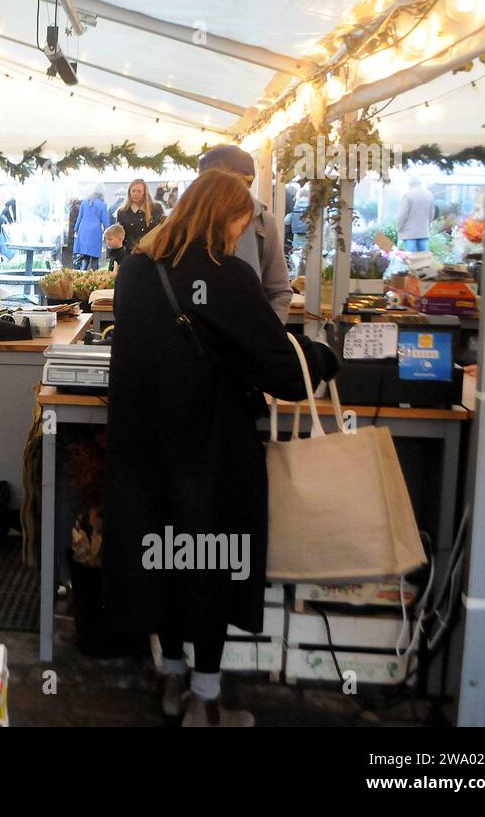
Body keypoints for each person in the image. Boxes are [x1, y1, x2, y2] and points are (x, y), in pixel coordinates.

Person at [103, 168, 340, 727]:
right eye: (241, 221)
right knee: (209, 566)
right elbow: (279, 366)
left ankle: (174, 676)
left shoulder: (136, 269)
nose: (241, 234)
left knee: (161, 557)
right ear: (224, 217)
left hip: (144, 453)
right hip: (209, 452)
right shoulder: (226, 274)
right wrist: (327, 358)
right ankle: (205, 700)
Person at [197, 145, 292, 321]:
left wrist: (271, 334)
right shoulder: (190, 222)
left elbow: (279, 291)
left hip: (252, 333)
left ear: (246, 180)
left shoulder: (262, 222)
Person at [108, 178, 165, 267]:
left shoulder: (156, 208)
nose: (135, 193)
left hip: (151, 255)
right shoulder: (122, 212)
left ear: (144, 193)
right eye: (133, 191)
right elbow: (120, 237)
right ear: (129, 192)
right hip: (130, 256)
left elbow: (162, 231)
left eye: (139, 191)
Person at [72, 183, 108, 271]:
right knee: (95, 257)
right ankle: (95, 277)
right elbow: (106, 222)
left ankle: (82, 272)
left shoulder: (84, 202)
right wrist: (109, 232)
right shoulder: (102, 205)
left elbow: (79, 218)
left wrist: (76, 230)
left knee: (84, 255)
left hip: (83, 230)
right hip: (95, 232)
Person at [396, 178, 434, 253]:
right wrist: (428, 226)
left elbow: (402, 215)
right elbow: (431, 214)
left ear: (410, 184)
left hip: (409, 233)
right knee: (424, 259)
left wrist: (399, 228)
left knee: (410, 259)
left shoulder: (407, 195)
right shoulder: (429, 195)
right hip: (423, 232)